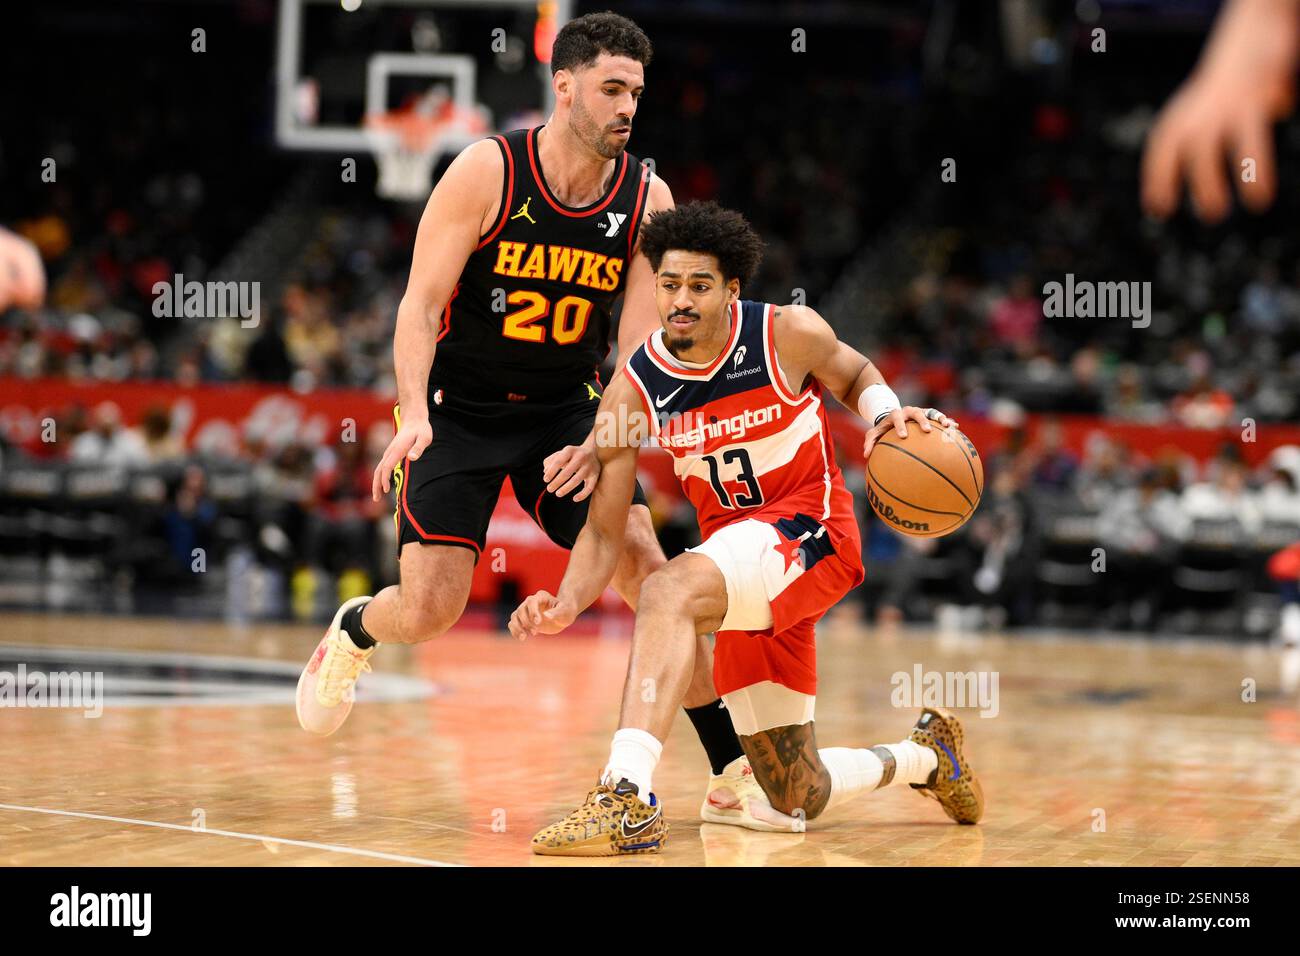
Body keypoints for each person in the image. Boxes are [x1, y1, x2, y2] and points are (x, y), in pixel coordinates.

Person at [295, 13, 768, 828]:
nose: (627, 107)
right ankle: (354, 629)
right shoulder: (488, 171)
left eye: (637, 93)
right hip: (459, 411)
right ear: (564, 87)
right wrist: (409, 413)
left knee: (648, 565)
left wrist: (604, 437)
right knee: (431, 609)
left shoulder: (647, 197)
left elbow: (635, 347)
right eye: (612, 89)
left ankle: (730, 763)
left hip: (566, 410)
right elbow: (419, 305)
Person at [510, 202, 983, 855]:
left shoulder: (785, 333)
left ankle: (624, 792)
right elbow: (604, 527)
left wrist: (883, 414)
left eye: (700, 286)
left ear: (732, 290)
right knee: (793, 793)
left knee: (668, 590)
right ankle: (927, 757)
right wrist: (567, 600)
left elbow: (851, 371)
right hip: (738, 568)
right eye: (669, 284)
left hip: (809, 530)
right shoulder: (634, 387)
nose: (681, 300)